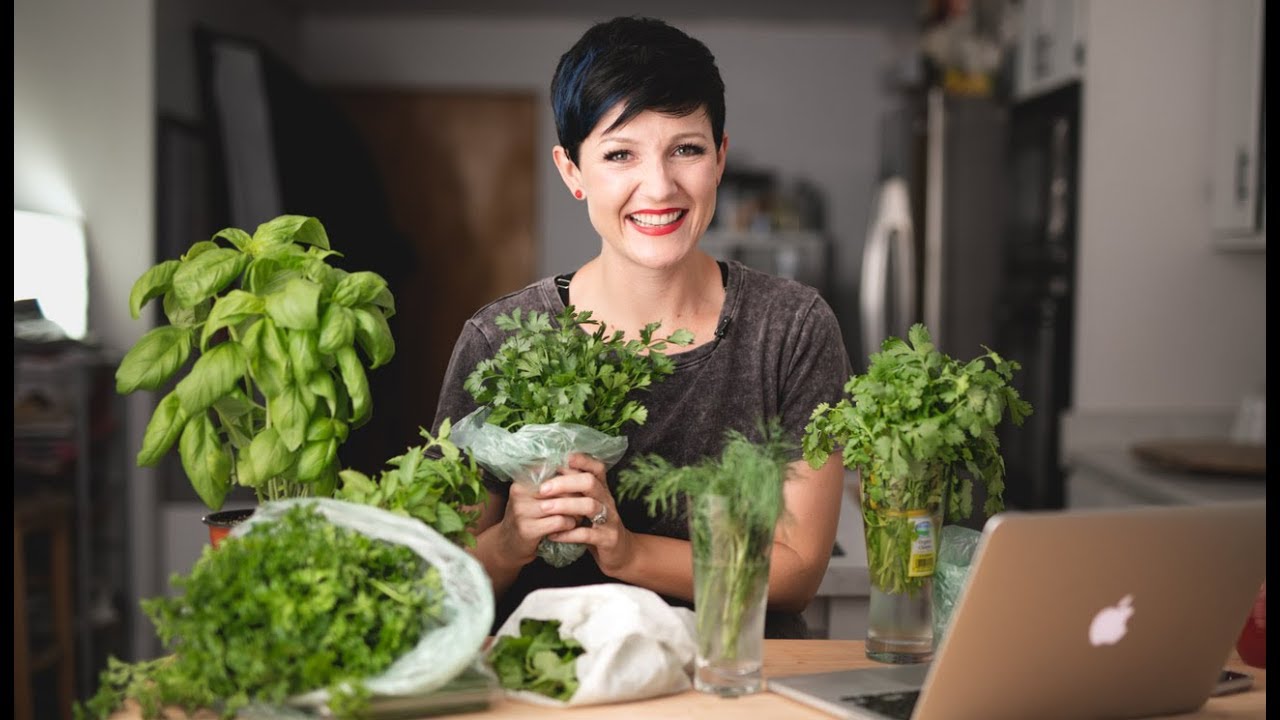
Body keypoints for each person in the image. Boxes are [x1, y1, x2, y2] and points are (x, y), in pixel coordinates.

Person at [431, 15, 851, 638]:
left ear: (720, 157)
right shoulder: (501, 343)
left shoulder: (790, 330)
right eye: (620, 154)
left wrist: (628, 553)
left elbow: (794, 572)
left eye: (686, 149)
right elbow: (447, 583)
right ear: (572, 171)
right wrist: (511, 541)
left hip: (740, 683)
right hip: (558, 687)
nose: (659, 187)